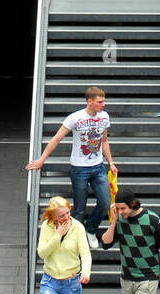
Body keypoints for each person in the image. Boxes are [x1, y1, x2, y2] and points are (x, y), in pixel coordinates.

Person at [25, 87, 117, 249]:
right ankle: (74, 237)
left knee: (105, 202)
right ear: (89, 101)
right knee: (79, 208)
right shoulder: (74, 118)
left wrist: (110, 162)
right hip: (79, 169)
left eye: (104, 101)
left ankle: (90, 229)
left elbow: (104, 141)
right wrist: (41, 161)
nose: (103, 105)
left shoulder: (104, 117)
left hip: (98, 166)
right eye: (100, 102)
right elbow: (56, 139)